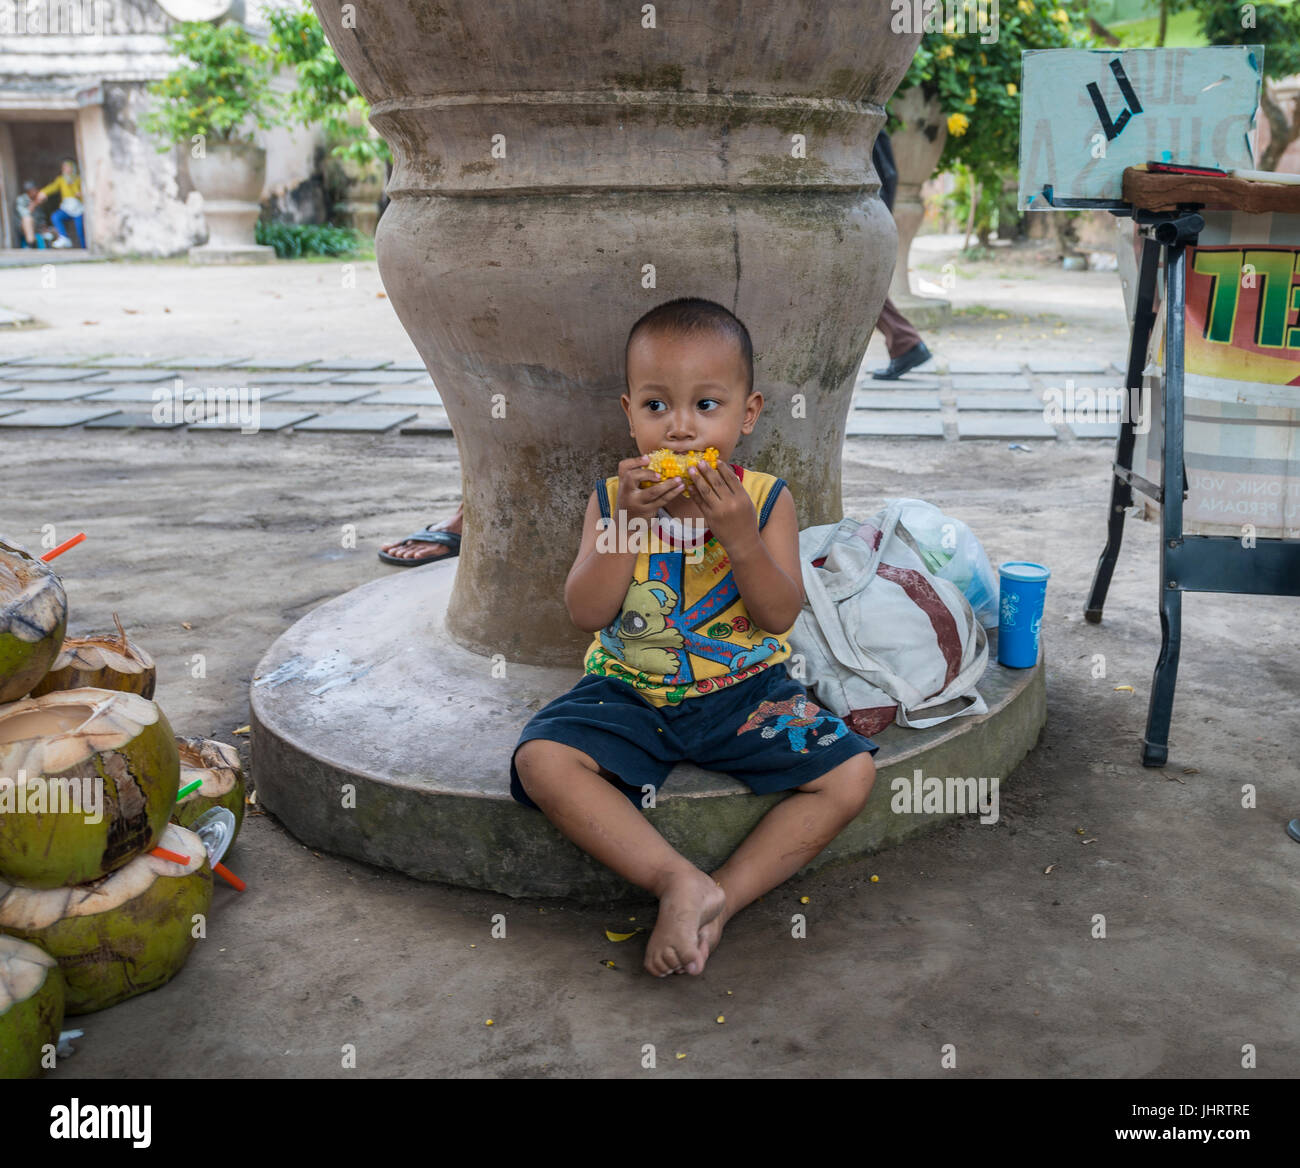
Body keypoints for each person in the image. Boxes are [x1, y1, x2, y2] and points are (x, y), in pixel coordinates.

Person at [511, 297, 879, 978]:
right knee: (541, 761)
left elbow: (778, 615)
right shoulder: (611, 499)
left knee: (852, 775)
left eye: (705, 406)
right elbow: (587, 610)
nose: (680, 429)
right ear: (629, 414)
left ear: (747, 413)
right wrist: (624, 524)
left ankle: (723, 896)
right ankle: (676, 879)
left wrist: (738, 534)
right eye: (657, 407)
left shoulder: (767, 500)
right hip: (629, 688)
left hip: (746, 691)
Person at [869, 128, 933, 379]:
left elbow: (888, 175)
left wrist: (877, 213)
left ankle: (906, 343)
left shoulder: (869, 123)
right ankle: (905, 343)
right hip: (869, 212)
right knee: (860, 287)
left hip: (866, 213)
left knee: (859, 287)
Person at [36, 159, 86, 249]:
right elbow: (53, 187)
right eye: (64, 167)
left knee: (80, 230)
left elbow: (81, 191)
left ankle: (84, 247)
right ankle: (64, 237)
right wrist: (43, 192)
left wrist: (78, 192)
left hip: (78, 208)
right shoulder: (61, 180)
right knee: (56, 216)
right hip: (67, 207)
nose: (66, 169)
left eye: (68, 167)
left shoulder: (78, 179)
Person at [14, 181, 48, 248]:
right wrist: (34, 204)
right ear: (28, 191)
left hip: (37, 226)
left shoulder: (37, 199)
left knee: (53, 231)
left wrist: (44, 226)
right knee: (28, 219)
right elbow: (24, 213)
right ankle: (31, 244)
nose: (36, 191)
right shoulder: (21, 199)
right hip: (23, 227)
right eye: (34, 190)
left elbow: (41, 217)